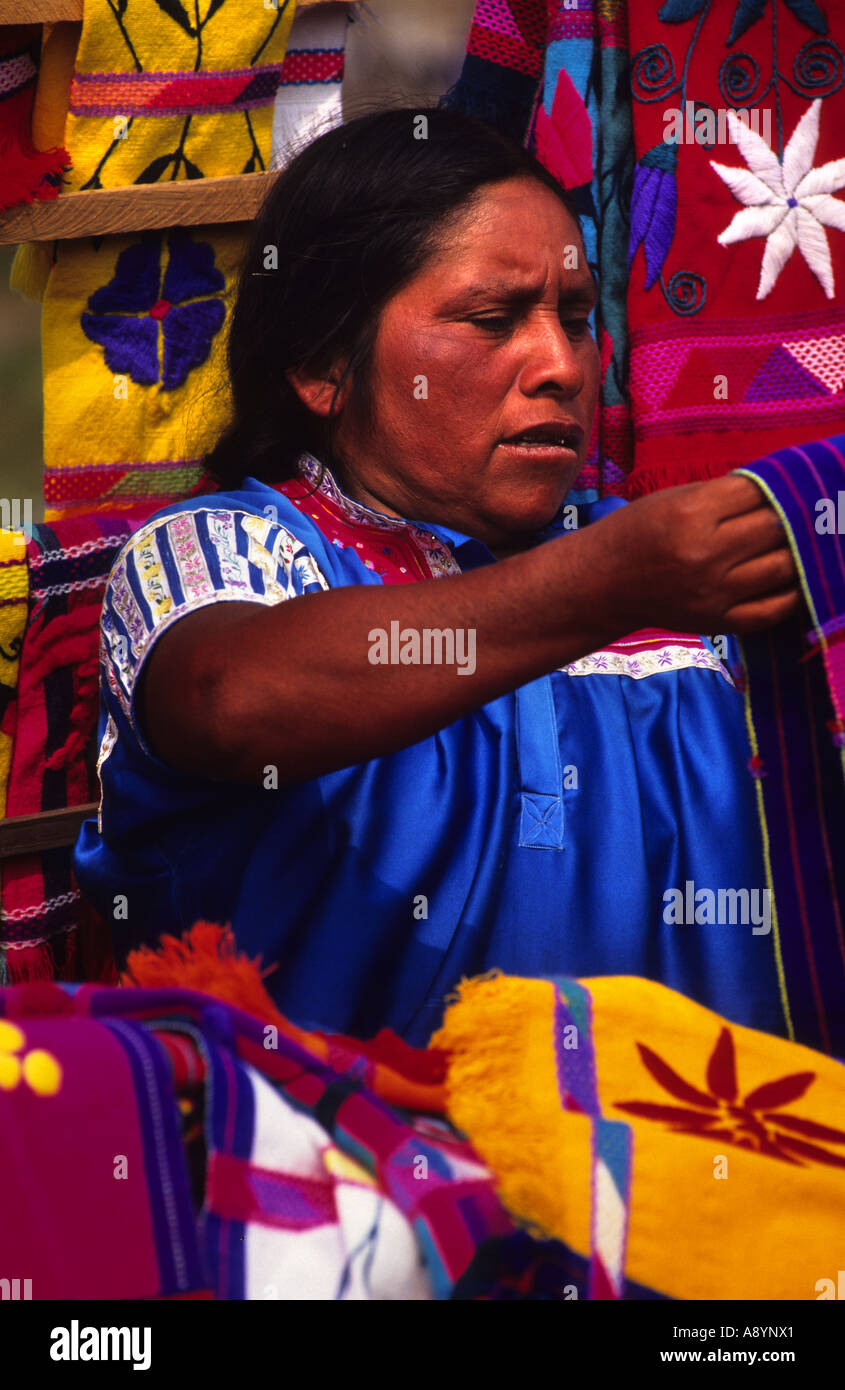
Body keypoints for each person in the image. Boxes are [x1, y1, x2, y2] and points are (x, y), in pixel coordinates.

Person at [74, 109, 799, 1045]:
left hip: (686, 1171)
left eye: (576, 321)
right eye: (492, 320)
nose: (560, 367)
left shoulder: (684, 596)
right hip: (330, 1179)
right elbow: (229, 700)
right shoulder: (223, 556)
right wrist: (612, 583)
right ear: (323, 363)